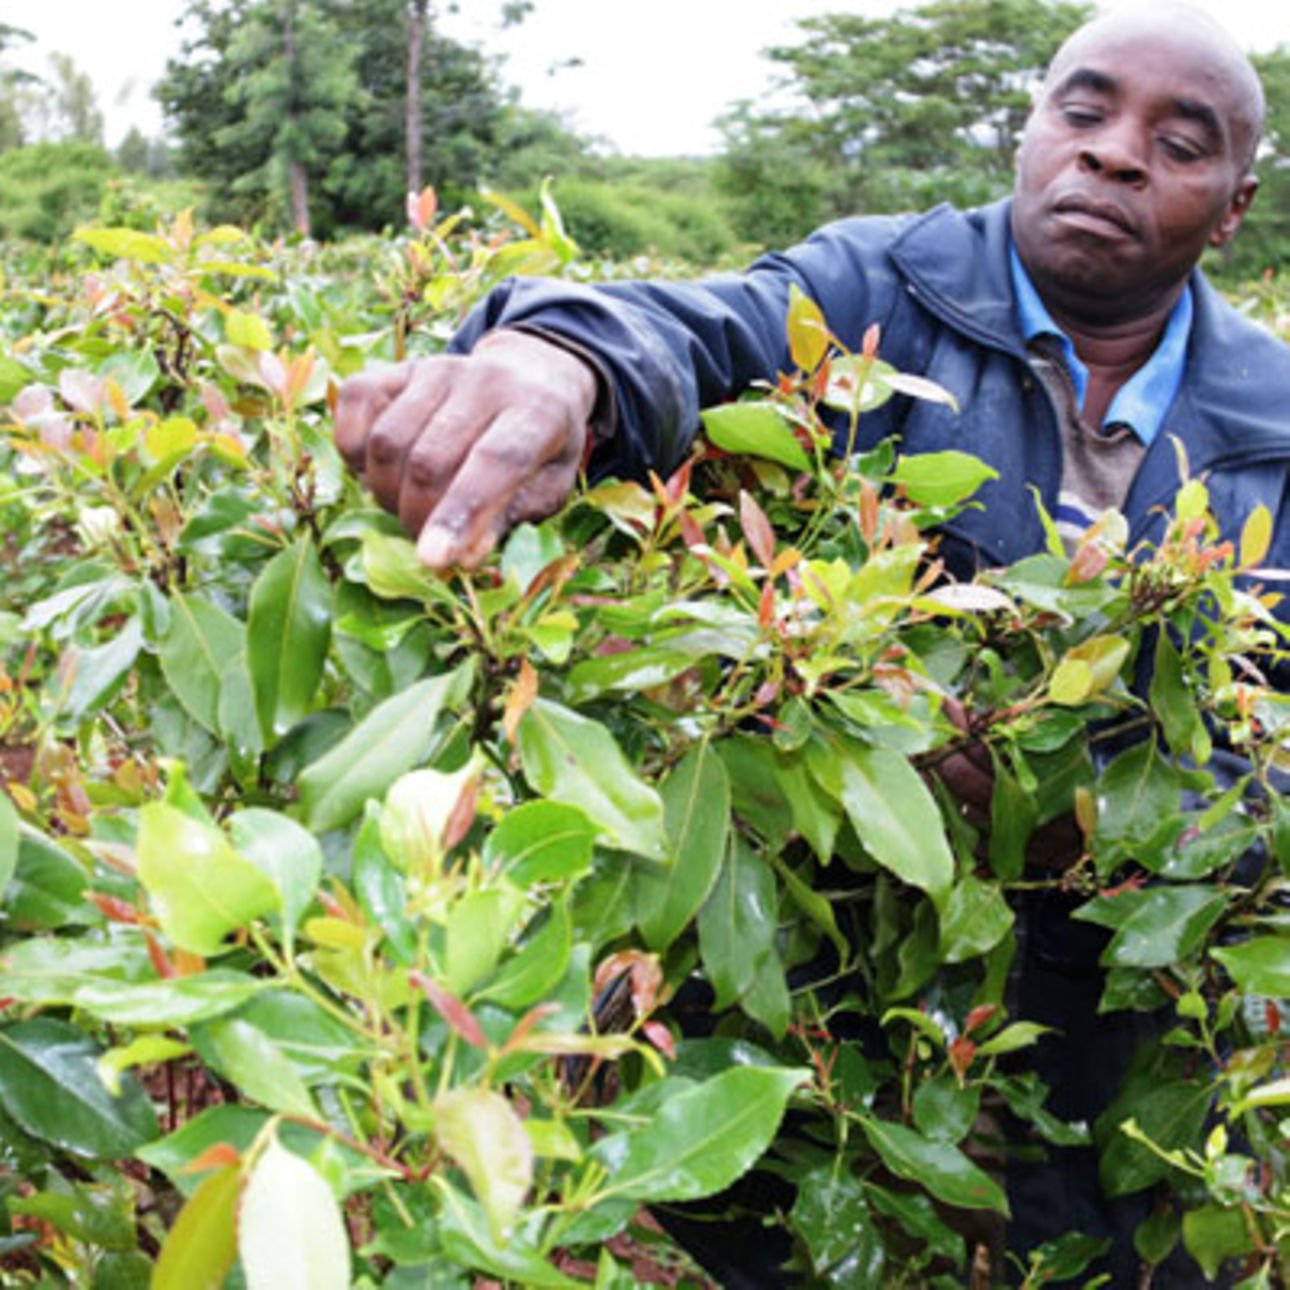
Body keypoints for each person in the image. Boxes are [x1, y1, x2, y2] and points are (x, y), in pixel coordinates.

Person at [336, 5, 1290, 1283]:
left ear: (1233, 206)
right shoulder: (869, 290)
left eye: (1179, 143)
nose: (1114, 155)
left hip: (1131, 1012)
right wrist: (563, 361)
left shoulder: (1275, 422)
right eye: (1085, 111)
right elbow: (692, 330)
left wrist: (1117, 830)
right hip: (831, 984)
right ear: (1028, 128)